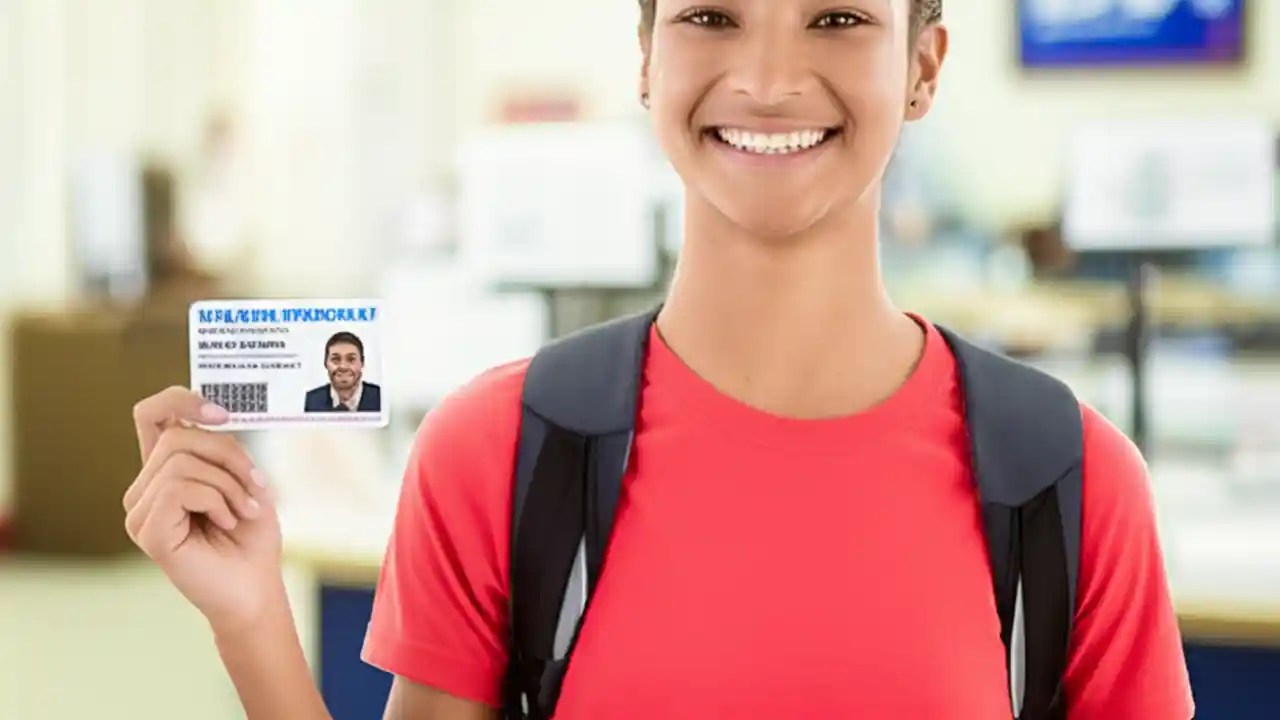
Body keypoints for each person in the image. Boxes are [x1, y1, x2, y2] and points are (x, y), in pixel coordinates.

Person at [122, 1, 1195, 718]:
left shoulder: (1070, 482)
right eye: (709, 15)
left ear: (921, 66)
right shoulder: (496, 454)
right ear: (644, 58)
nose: (767, 78)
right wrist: (252, 621)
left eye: (835, 18)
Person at [304, 331, 381, 412]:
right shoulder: (313, 400)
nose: (343, 367)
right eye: (335, 359)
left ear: (362, 363)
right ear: (325, 363)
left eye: (351, 359)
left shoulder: (380, 397)